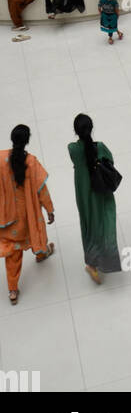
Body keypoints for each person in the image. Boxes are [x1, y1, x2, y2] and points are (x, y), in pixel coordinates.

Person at [0, 125, 55, 304]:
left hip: (9, 220)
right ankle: (41, 254)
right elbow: (42, 190)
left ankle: (13, 290)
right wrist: (49, 209)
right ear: (27, 141)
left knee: (13, 255)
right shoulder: (31, 162)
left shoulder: (1, 159)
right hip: (28, 217)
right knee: (36, 235)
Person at [69, 114, 121, 285]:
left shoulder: (73, 149)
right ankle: (107, 256)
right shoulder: (101, 147)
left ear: (76, 131)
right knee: (104, 221)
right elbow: (110, 161)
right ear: (91, 129)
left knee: (89, 224)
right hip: (102, 192)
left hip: (84, 194)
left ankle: (92, 264)